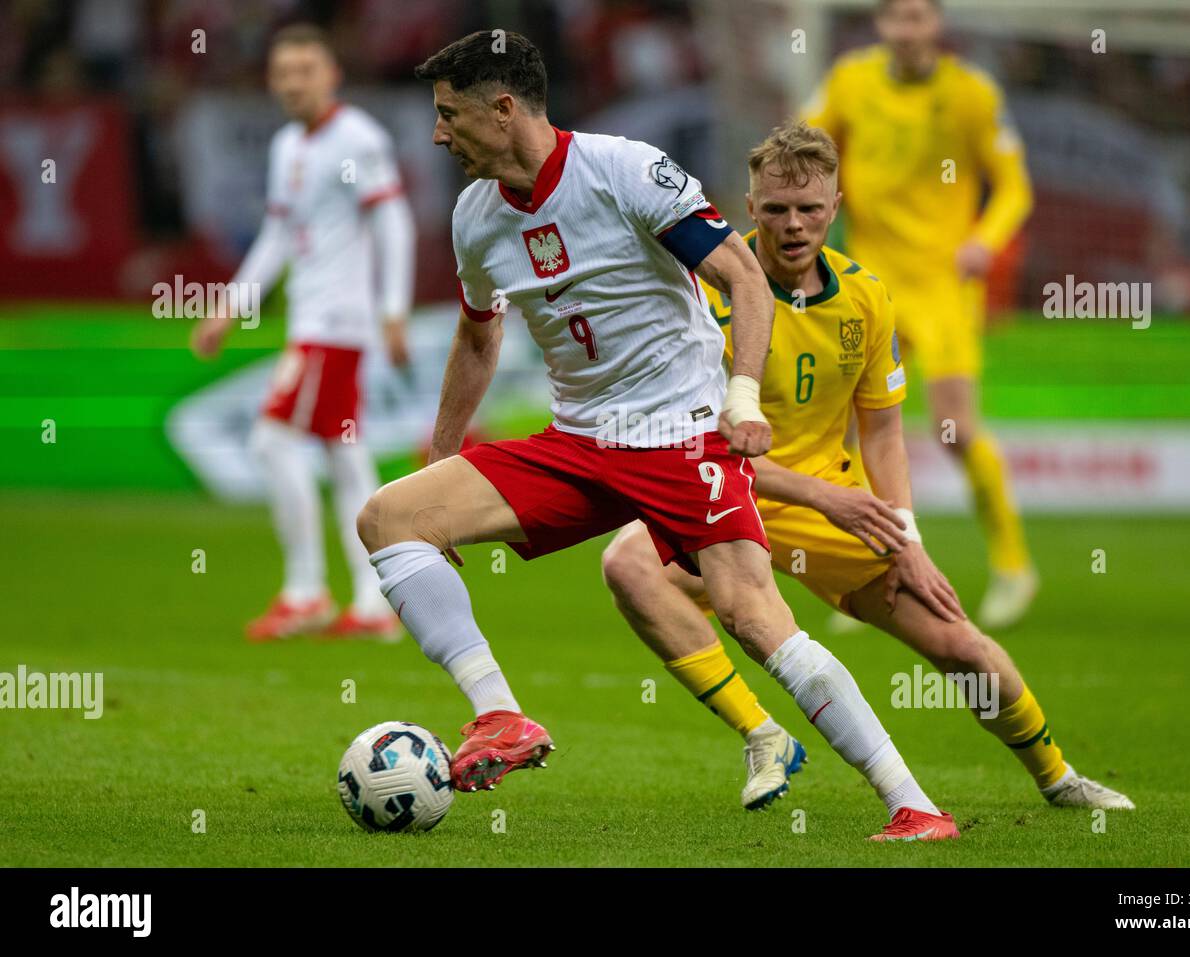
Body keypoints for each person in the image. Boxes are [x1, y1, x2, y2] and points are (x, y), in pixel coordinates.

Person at [356, 30, 958, 840]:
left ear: (503, 110)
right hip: (577, 440)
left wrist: (742, 398)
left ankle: (911, 802)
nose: (438, 134)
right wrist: (444, 449)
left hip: (680, 434)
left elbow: (744, 277)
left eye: (448, 114)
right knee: (390, 518)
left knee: (754, 616)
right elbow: (477, 336)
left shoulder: (624, 170)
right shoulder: (476, 218)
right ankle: (499, 714)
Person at [602, 121, 1134, 814]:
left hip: (835, 506)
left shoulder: (866, 298)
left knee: (962, 647)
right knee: (629, 563)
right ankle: (760, 732)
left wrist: (906, 540)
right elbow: (693, 442)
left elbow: (882, 432)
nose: (794, 225)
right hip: (724, 496)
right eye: (776, 209)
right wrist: (828, 498)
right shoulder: (703, 301)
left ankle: (1058, 777)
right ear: (749, 206)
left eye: (810, 209)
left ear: (836, 205)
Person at [804, 0, 1038, 628]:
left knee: (955, 431)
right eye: (895, 18)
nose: (906, 30)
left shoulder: (971, 93)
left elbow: (1014, 186)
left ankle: (1014, 566)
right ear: (881, 26)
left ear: (938, 25)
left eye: (918, 17)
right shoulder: (851, 80)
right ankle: (863, 572)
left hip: (942, 285)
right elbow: (806, 147)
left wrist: (984, 241)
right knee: (847, 431)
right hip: (873, 284)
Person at [192, 24, 414, 641]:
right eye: (283, 72)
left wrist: (393, 309)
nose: (293, 82)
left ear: (331, 75)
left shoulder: (357, 138)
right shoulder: (289, 144)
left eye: (305, 70)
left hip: (337, 324)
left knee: (271, 440)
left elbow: (392, 220)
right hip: (315, 323)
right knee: (346, 457)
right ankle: (374, 604)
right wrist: (229, 307)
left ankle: (306, 591)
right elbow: (279, 236)